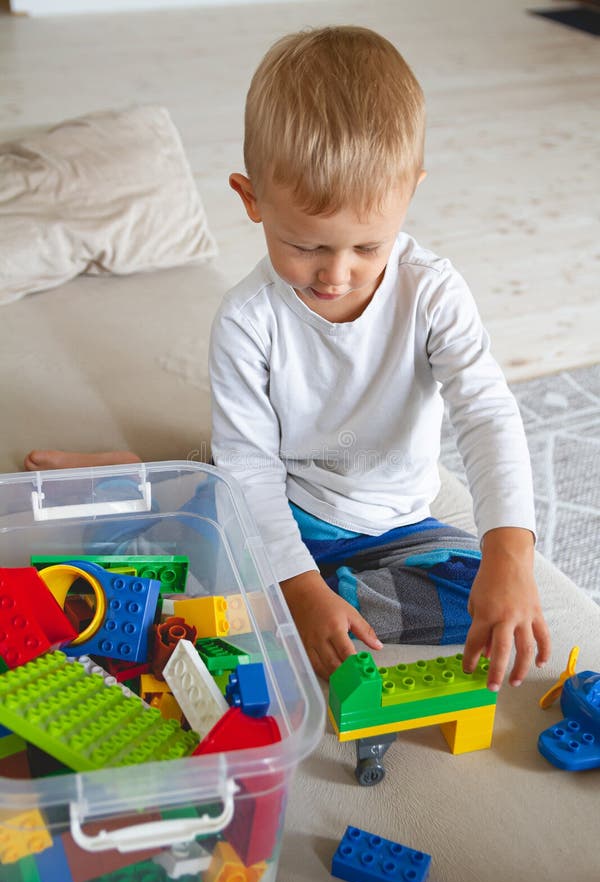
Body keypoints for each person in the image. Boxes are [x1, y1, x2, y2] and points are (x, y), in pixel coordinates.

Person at [26, 26, 550, 690]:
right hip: (283, 498)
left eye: (367, 247)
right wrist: (299, 584)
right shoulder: (249, 320)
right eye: (305, 246)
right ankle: (174, 487)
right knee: (182, 537)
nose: (336, 274)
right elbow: (252, 470)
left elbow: (487, 415)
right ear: (251, 200)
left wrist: (510, 553)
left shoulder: (433, 293)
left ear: (409, 194)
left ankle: (288, 596)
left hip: (396, 525)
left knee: (482, 589)